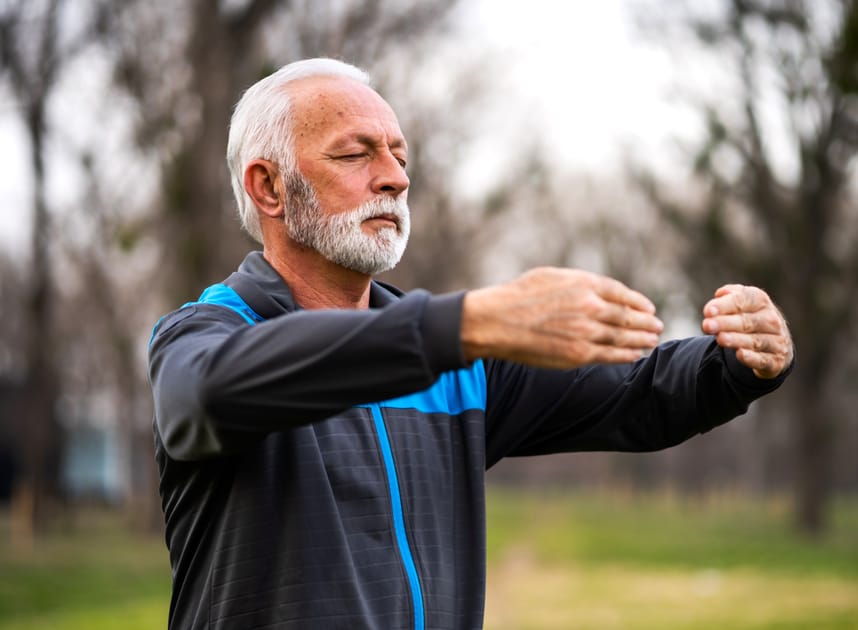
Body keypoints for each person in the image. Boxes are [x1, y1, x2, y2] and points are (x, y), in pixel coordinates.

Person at [148, 58, 794, 630]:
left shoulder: (457, 363)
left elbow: (636, 392)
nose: (394, 178)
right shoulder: (206, 333)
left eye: (400, 155)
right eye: (355, 154)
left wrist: (732, 361)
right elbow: (205, 395)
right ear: (269, 187)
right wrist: (462, 325)